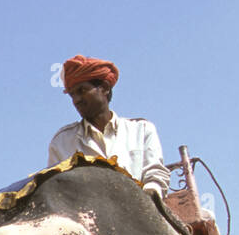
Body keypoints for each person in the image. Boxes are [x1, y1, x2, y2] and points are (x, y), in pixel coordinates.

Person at [48, 54, 169, 196]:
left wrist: (147, 198)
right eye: (72, 95)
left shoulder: (141, 130)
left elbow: (155, 175)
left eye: (82, 91)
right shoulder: (62, 142)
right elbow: (56, 191)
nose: (76, 100)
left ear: (104, 88)